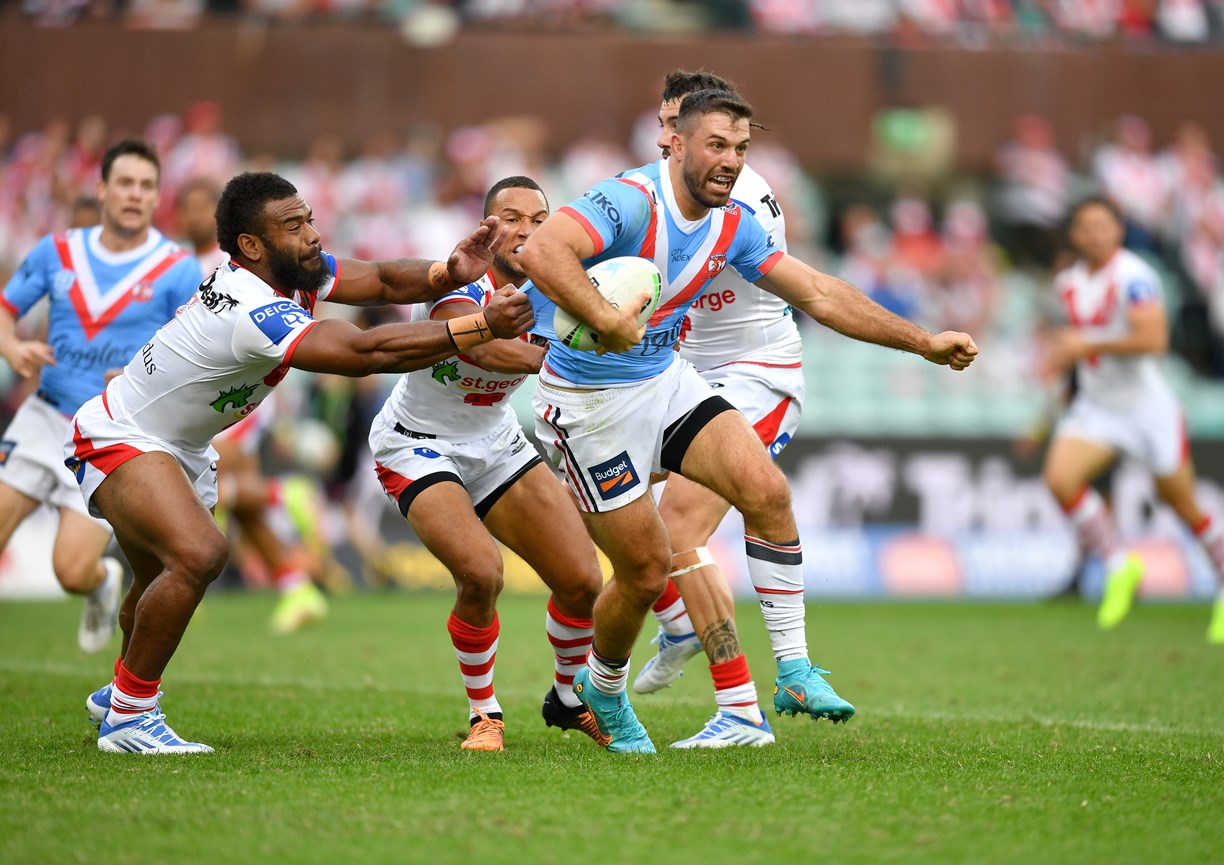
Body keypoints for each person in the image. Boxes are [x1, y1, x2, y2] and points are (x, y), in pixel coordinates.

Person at [518, 89, 978, 753]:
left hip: (666, 381)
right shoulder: (628, 201)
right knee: (645, 572)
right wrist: (606, 314)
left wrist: (923, 340)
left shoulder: (734, 222)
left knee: (765, 490)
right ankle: (604, 685)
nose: (730, 160)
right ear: (674, 142)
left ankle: (791, 667)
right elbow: (542, 251)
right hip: (587, 406)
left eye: (740, 148)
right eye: (716, 145)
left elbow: (818, 291)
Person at [69, 171, 534, 754]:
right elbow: (366, 353)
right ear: (251, 247)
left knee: (157, 579)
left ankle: (119, 692)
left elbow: (385, 279)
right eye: (293, 226)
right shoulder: (249, 307)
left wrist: (445, 273)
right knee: (200, 554)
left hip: (175, 444)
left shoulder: (295, 272)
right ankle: (130, 715)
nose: (312, 234)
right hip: (123, 434)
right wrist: (482, 324)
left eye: (309, 217)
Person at [369, 176, 606, 751]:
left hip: (496, 443)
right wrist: (558, 357)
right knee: (481, 573)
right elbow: (478, 345)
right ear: (487, 226)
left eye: (539, 217)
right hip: (417, 442)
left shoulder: (562, 289)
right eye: (511, 216)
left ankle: (569, 700)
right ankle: (485, 715)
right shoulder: (464, 281)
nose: (526, 228)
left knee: (582, 582)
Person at [627, 69, 804, 749]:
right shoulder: (657, 186)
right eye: (667, 123)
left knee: (679, 529)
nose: (670, 136)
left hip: (753, 376)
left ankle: (742, 710)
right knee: (588, 496)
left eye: (684, 124)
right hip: (687, 375)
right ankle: (678, 623)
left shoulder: (740, 199)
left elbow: (802, 288)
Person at [0, 138, 201, 654]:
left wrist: (141, 378)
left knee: (69, 570)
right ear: (102, 188)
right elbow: (5, 308)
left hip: (105, 431)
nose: (135, 195)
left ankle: (99, 581)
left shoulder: (178, 270)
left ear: (158, 197)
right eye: (126, 183)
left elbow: (194, 353)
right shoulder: (57, 250)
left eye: (146, 186)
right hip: (43, 415)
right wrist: (12, 348)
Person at [1041, 196, 1224, 642]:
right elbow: (1080, 345)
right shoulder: (1068, 281)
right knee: (1060, 479)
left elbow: (1154, 339)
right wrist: (1065, 362)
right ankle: (1121, 565)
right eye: (1087, 226)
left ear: (1119, 231)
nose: (1096, 234)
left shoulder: (1135, 276)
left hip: (1146, 410)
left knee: (1182, 505)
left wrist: (1086, 344)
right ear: (1075, 234)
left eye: (1105, 225)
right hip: (1099, 407)